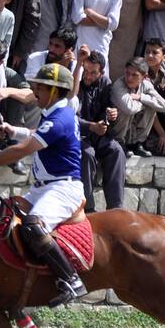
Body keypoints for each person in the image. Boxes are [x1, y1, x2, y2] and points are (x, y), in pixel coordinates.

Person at [0, 63, 86, 307]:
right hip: (45, 187)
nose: (34, 90)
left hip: (63, 189)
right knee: (3, 212)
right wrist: (13, 130)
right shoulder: (53, 114)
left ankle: (71, 279)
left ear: (53, 91)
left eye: (39, 87)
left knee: (32, 225)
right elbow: (35, 134)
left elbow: (22, 150)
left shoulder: (60, 118)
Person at [74, 48, 125, 212]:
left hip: (97, 133)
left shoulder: (105, 84)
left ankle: (115, 208)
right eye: (86, 71)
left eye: (93, 73)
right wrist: (91, 126)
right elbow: (70, 116)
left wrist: (110, 115)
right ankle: (88, 208)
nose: (88, 76)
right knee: (87, 154)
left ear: (101, 72)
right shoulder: (76, 83)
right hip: (78, 134)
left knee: (116, 151)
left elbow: (106, 109)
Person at [111, 57, 165, 157]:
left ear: (144, 76)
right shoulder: (119, 85)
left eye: (134, 75)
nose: (129, 78)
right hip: (117, 132)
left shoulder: (146, 85)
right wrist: (146, 103)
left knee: (152, 107)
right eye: (127, 73)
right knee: (127, 110)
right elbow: (129, 108)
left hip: (134, 131)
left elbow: (164, 106)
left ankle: (137, 144)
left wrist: (141, 97)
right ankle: (120, 143)